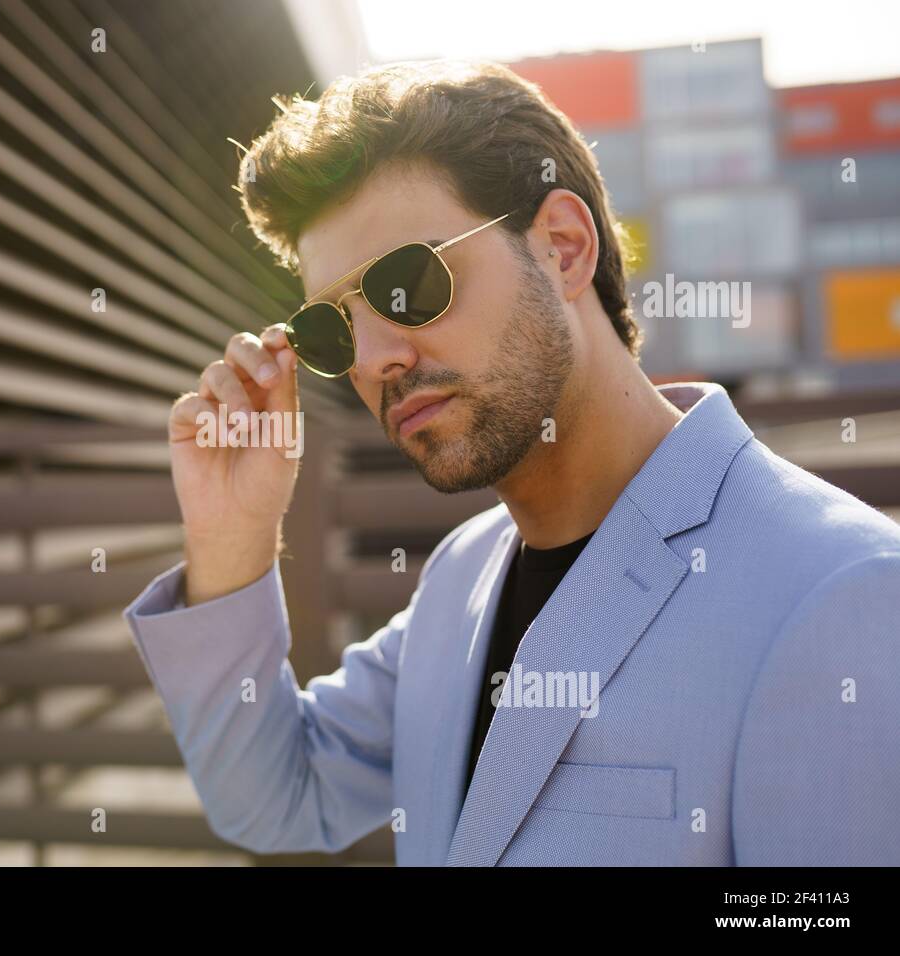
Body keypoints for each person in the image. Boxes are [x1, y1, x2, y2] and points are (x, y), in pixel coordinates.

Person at [122, 60, 900, 865]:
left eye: (406, 282)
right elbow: (272, 799)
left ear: (563, 249)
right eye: (333, 331)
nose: (379, 358)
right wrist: (232, 537)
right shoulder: (459, 581)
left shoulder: (840, 592)